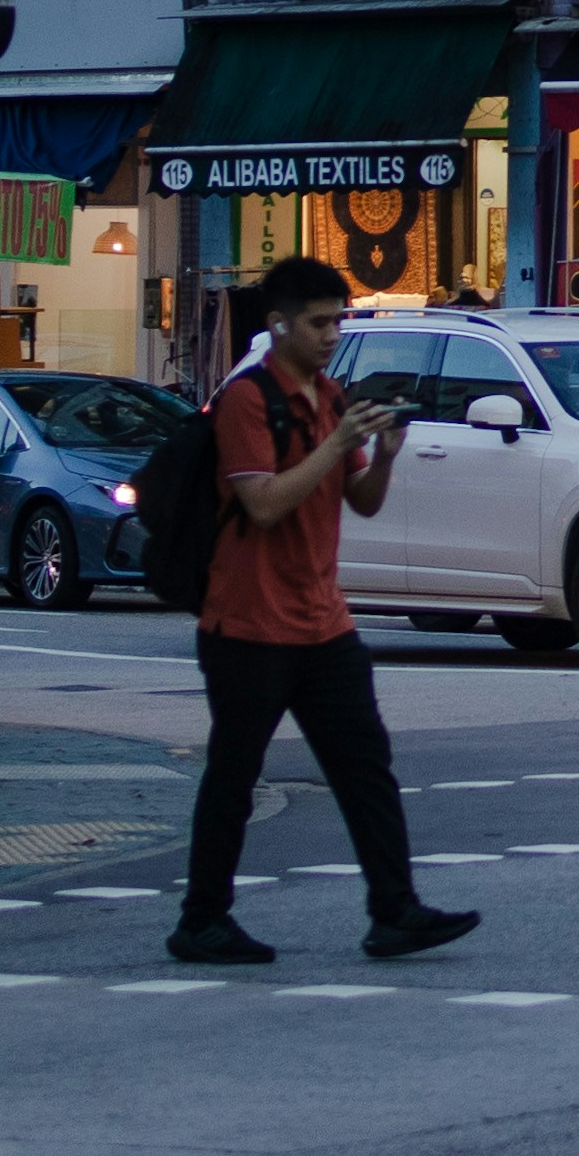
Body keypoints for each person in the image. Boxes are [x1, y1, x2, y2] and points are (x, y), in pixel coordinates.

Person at [173, 255, 474, 967]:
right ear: (277, 324)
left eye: (338, 319)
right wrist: (339, 443)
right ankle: (201, 919)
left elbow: (359, 500)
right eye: (318, 322)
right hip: (248, 624)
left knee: (365, 765)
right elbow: (263, 503)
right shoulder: (247, 400)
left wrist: (385, 454)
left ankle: (394, 910)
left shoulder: (330, 396)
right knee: (234, 775)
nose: (332, 333)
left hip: (322, 622)